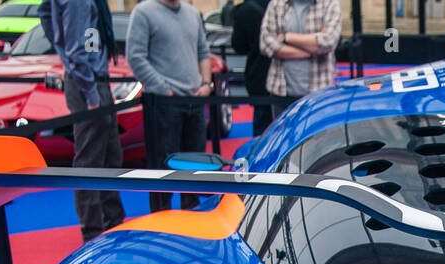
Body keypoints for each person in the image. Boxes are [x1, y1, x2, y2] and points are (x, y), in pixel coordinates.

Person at [37, 0, 124, 241]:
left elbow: (45, 12)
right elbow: (75, 50)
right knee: (90, 159)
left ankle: (112, 223)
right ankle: (94, 232)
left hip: (95, 79)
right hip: (89, 83)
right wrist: (90, 91)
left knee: (109, 156)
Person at [126, 0, 213, 213]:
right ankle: (161, 220)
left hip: (195, 101)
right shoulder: (143, 12)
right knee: (163, 167)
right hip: (164, 104)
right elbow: (135, 57)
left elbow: (203, 52)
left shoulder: (193, 14)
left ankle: (192, 215)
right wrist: (163, 89)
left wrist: (206, 84)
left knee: (195, 165)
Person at [258, 0, 342, 117]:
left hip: (319, 93)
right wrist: (312, 49)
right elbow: (266, 45)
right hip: (281, 92)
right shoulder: (277, 4)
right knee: (283, 135)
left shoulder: (329, 4)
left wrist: (285, 37)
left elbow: (328, 42)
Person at [231, 0, 271, 135]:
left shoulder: (244, 9)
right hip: (288, 76)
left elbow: (239, 46)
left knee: (262, 130)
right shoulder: (283, 5)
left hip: (259, 74)